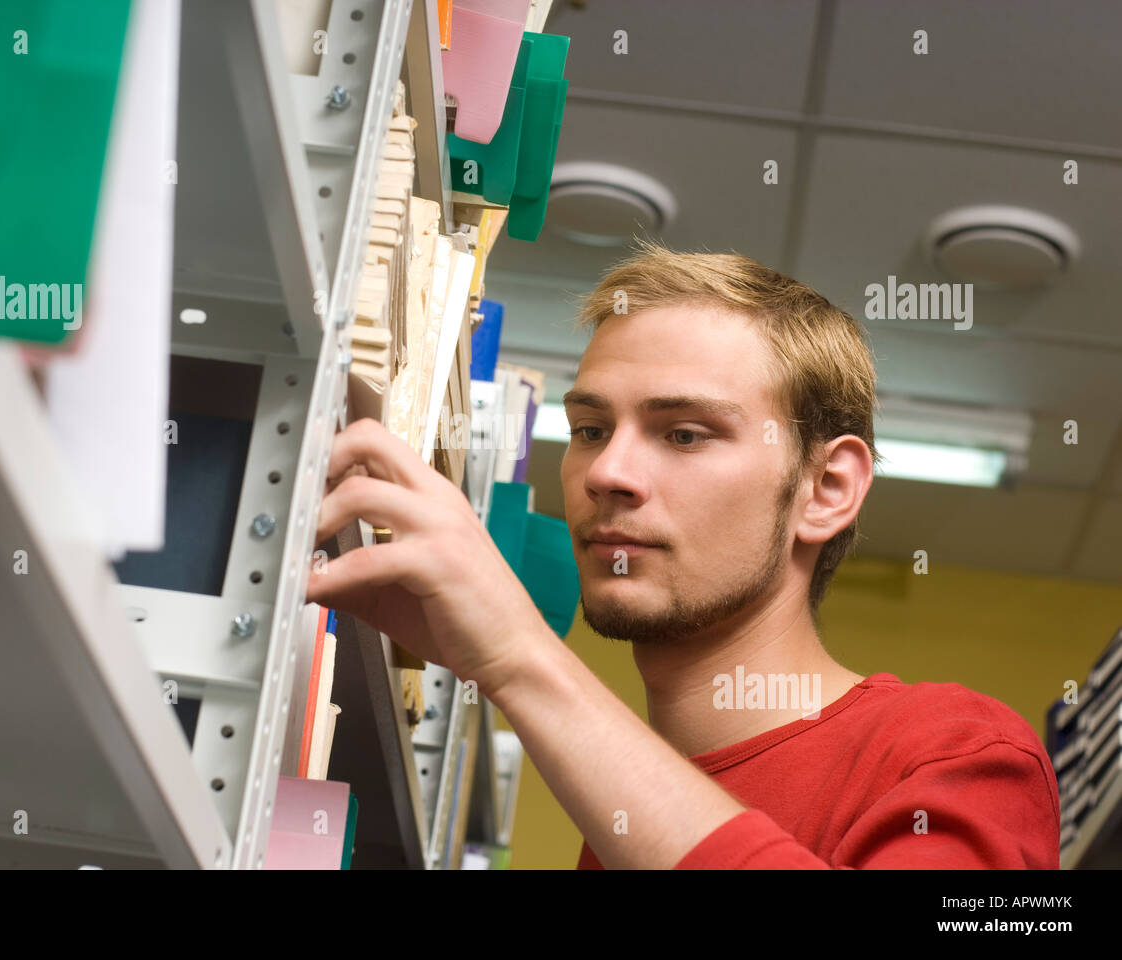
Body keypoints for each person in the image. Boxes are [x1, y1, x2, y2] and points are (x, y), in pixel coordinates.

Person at [306, 241, 1060, 869]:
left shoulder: (959, 754)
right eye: (592, 429)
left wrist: (519, 657)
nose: (606, 473)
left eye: (684, 434)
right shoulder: (618, 828)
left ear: (826, 488)